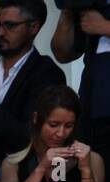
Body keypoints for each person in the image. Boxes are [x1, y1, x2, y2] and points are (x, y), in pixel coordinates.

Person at [0, 0, 68, 162]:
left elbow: (28, 137)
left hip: (22, 175)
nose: (1, 32)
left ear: (33, 27)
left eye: (10, 25)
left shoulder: (47, 73)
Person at [53, 5, 110, 171]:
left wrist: (105, 27)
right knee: (89, 177)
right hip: (92, 107)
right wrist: (68, 8)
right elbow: (62, 53)